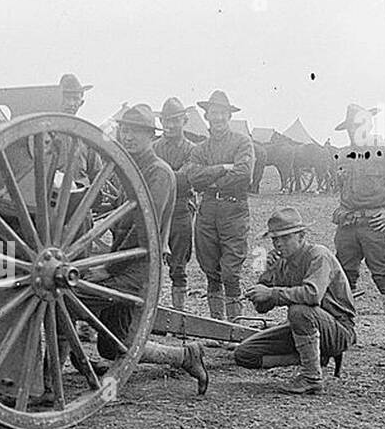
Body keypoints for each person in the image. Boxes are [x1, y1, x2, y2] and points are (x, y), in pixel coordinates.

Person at [75, 104, 208, 392]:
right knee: (115, 346)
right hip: (121, 259)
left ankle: (50, 380)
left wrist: (104, 268)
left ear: (150, 136)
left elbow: (142, 231)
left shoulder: (158, 173)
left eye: (135, 131)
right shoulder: (130, 169)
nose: (128, 136)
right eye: (124, 130)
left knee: (66, 297)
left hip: (138, 270)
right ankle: (185, 356)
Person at [234, 207, 357, 395]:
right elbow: (262, 307)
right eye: (275, 240)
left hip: (337, 329)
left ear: (301, 236)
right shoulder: (283, 263)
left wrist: (271, 293)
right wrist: (268, 274)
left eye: (285, 238)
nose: (279, 244)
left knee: (299, 311)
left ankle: (311, 377)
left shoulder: (318, 255)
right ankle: (314, 356)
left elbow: (312, 295)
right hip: (303, 328)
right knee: (245, 354)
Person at [332, 103, 385, 348]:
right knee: (345, 277)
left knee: (382, 275)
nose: (354, 131)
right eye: (350, 128)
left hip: (375, 226)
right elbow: (343, 188)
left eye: (359, 125)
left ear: (369, 125)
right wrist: (342, 208)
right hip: (348, 225)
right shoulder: (344, 154)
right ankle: (347, 330)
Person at [179, 90, 255, 321]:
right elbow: (192, 176)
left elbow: (244, 174)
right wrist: (222, 168)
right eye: (214, 113)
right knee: (211, 270)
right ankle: (217, 324)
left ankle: (235, 325)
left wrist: (210, 179)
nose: (218, 118)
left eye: (222, 113)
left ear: (229, 116)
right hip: (208, 210)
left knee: (231, 272)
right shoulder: (201, 148)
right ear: (207, 116)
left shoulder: (243, 142)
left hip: (234, 210)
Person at [151, 97, 198, 310]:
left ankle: (178, 316)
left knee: (178, 267)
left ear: (184, 121)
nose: (169, 126)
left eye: (174, 121)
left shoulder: (193, 150)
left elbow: (185, 178)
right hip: (155, 210)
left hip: (180, 209)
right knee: (151, 263)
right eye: (165, 121)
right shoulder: (153, 147)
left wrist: (161, 176)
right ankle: (152, 313)